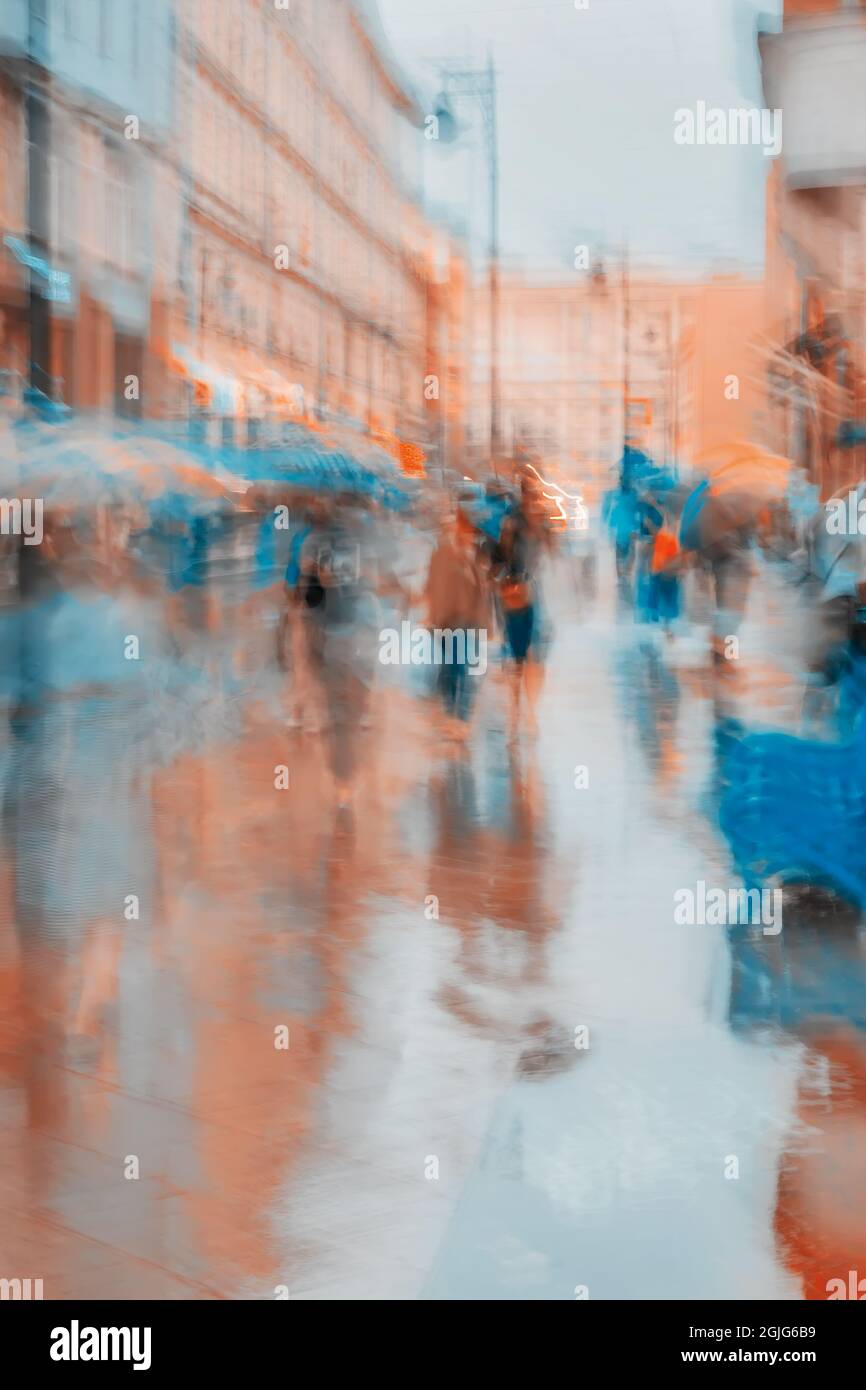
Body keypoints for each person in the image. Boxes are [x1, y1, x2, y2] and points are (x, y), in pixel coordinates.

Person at [424, 506, 491, 742]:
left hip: (469, 622)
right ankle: (450, 712)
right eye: (464, 529)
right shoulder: (442, 554)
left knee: (465, 669)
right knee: (449, 670)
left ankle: (460, 717)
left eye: (470, 531)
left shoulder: (476, 557)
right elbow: (431, 587)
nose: (467, 534)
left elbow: (483, 593)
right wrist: (432, 617)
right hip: (445, 622)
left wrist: (488, 627)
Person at [490, 497, 549, 741]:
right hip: (513, 609)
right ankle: (518, 712)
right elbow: (493, 577)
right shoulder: (500, 550)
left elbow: (533, 571)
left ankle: (526, 712)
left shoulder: (523, 544)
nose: (508, 528)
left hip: (524, 606)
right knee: (518, 662)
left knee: (527, 661)